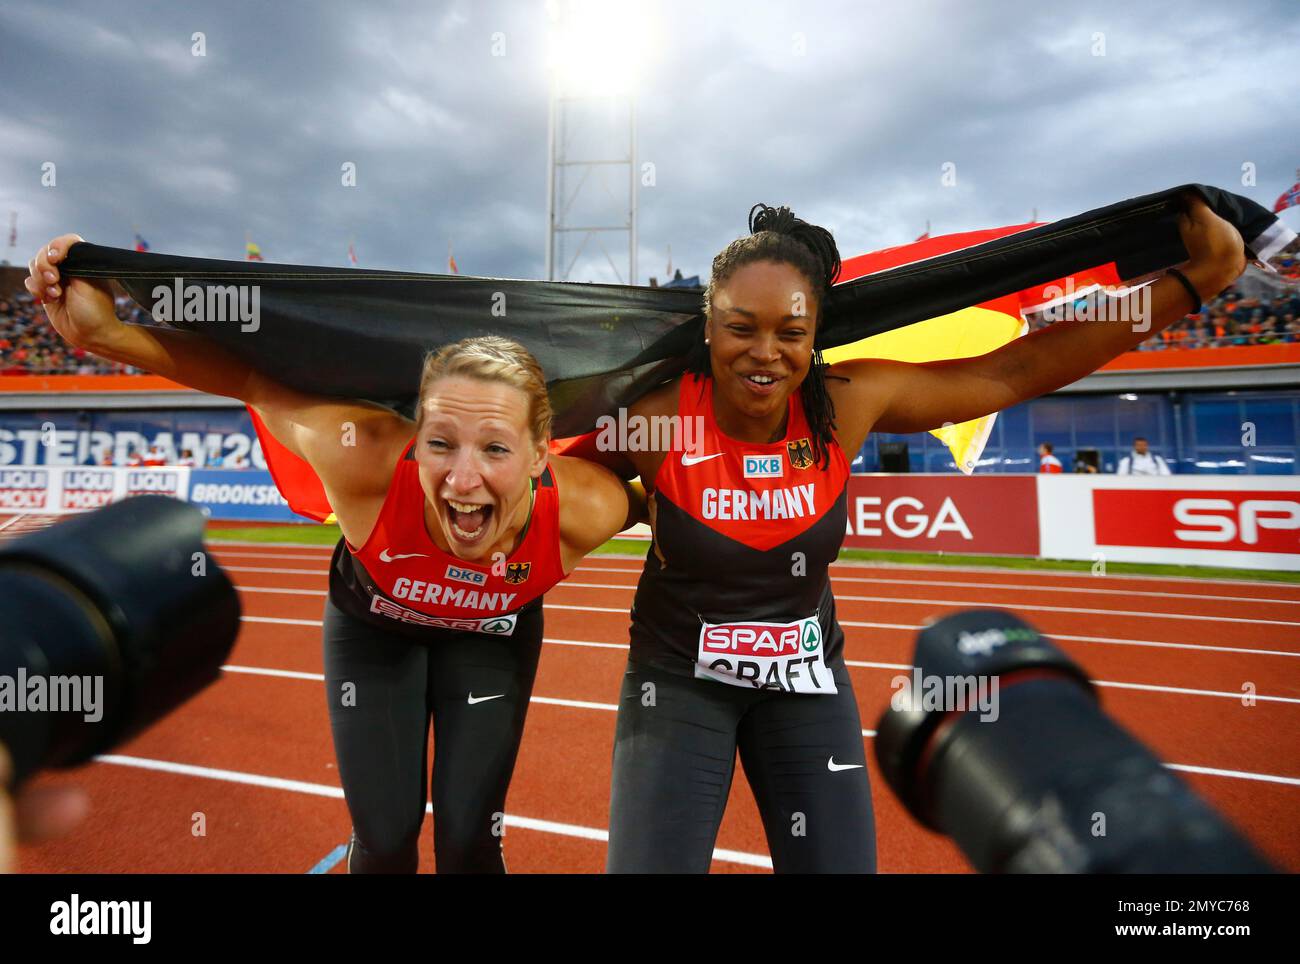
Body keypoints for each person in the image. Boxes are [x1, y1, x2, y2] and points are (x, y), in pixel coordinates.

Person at [601, 193, 1245, 873]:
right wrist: (633, 502)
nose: (765, 355)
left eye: (791, 332)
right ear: (707, 327)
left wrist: (1193, 282)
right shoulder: (656, 417)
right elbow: (552, 475)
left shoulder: (845, 404)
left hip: (805, 681)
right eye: (740, 328)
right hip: (674, 685)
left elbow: (1014, 370)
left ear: (817, 332)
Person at [27, 234, 642, 873]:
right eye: (440, 443)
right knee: (384, 838)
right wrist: (106, 336)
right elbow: (247, 377)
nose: (462, 480)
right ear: (414, 438)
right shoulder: (361, 455)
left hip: (492, 638)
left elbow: (687, 487)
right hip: (375, 636)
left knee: (470, 839)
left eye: (495, 448)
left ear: (541, 453)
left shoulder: (585, 507)